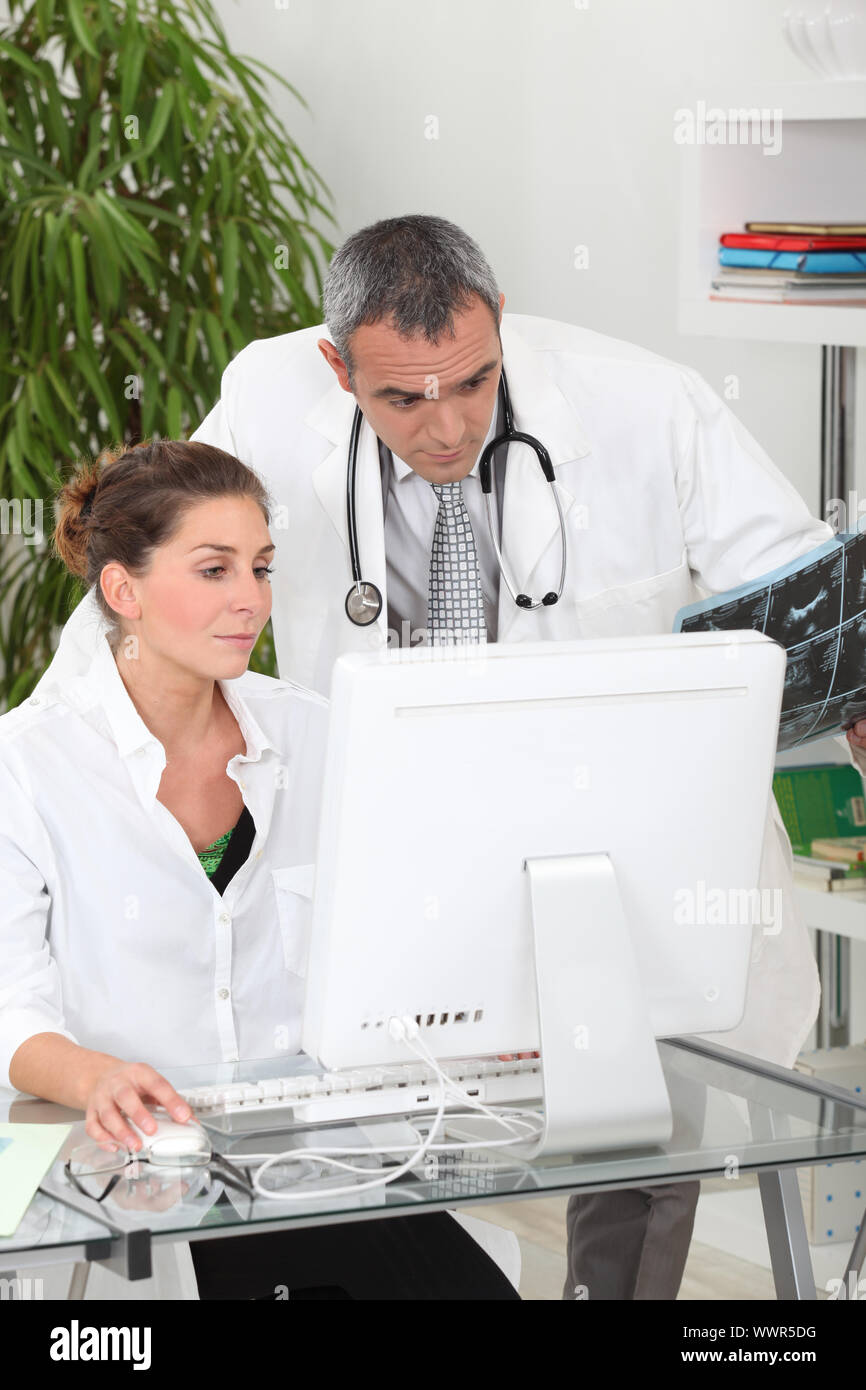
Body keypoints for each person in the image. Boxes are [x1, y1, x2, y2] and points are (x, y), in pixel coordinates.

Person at [34, 214, 845, 1299]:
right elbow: (149, 557)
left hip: (607, 823)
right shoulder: (273, 397)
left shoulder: (645, 405)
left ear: (499, 324)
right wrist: (51, 752)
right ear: (337, 368)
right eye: (401, 398)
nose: (445, 425)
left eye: (470, 382)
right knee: (398, 1110)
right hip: (400, 813)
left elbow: (816, 608)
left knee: (640, 1124)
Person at [0, 439, 519, 1300]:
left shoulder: (318, 736)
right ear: (122, 590)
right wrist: (99, 1076)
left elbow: (404, 937)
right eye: (215, 571)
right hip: (131, 1189)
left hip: (318, 1166)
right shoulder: (25, 766)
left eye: (261, 568)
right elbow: (10, 1012)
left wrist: (475, 1013)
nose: (252, 600)